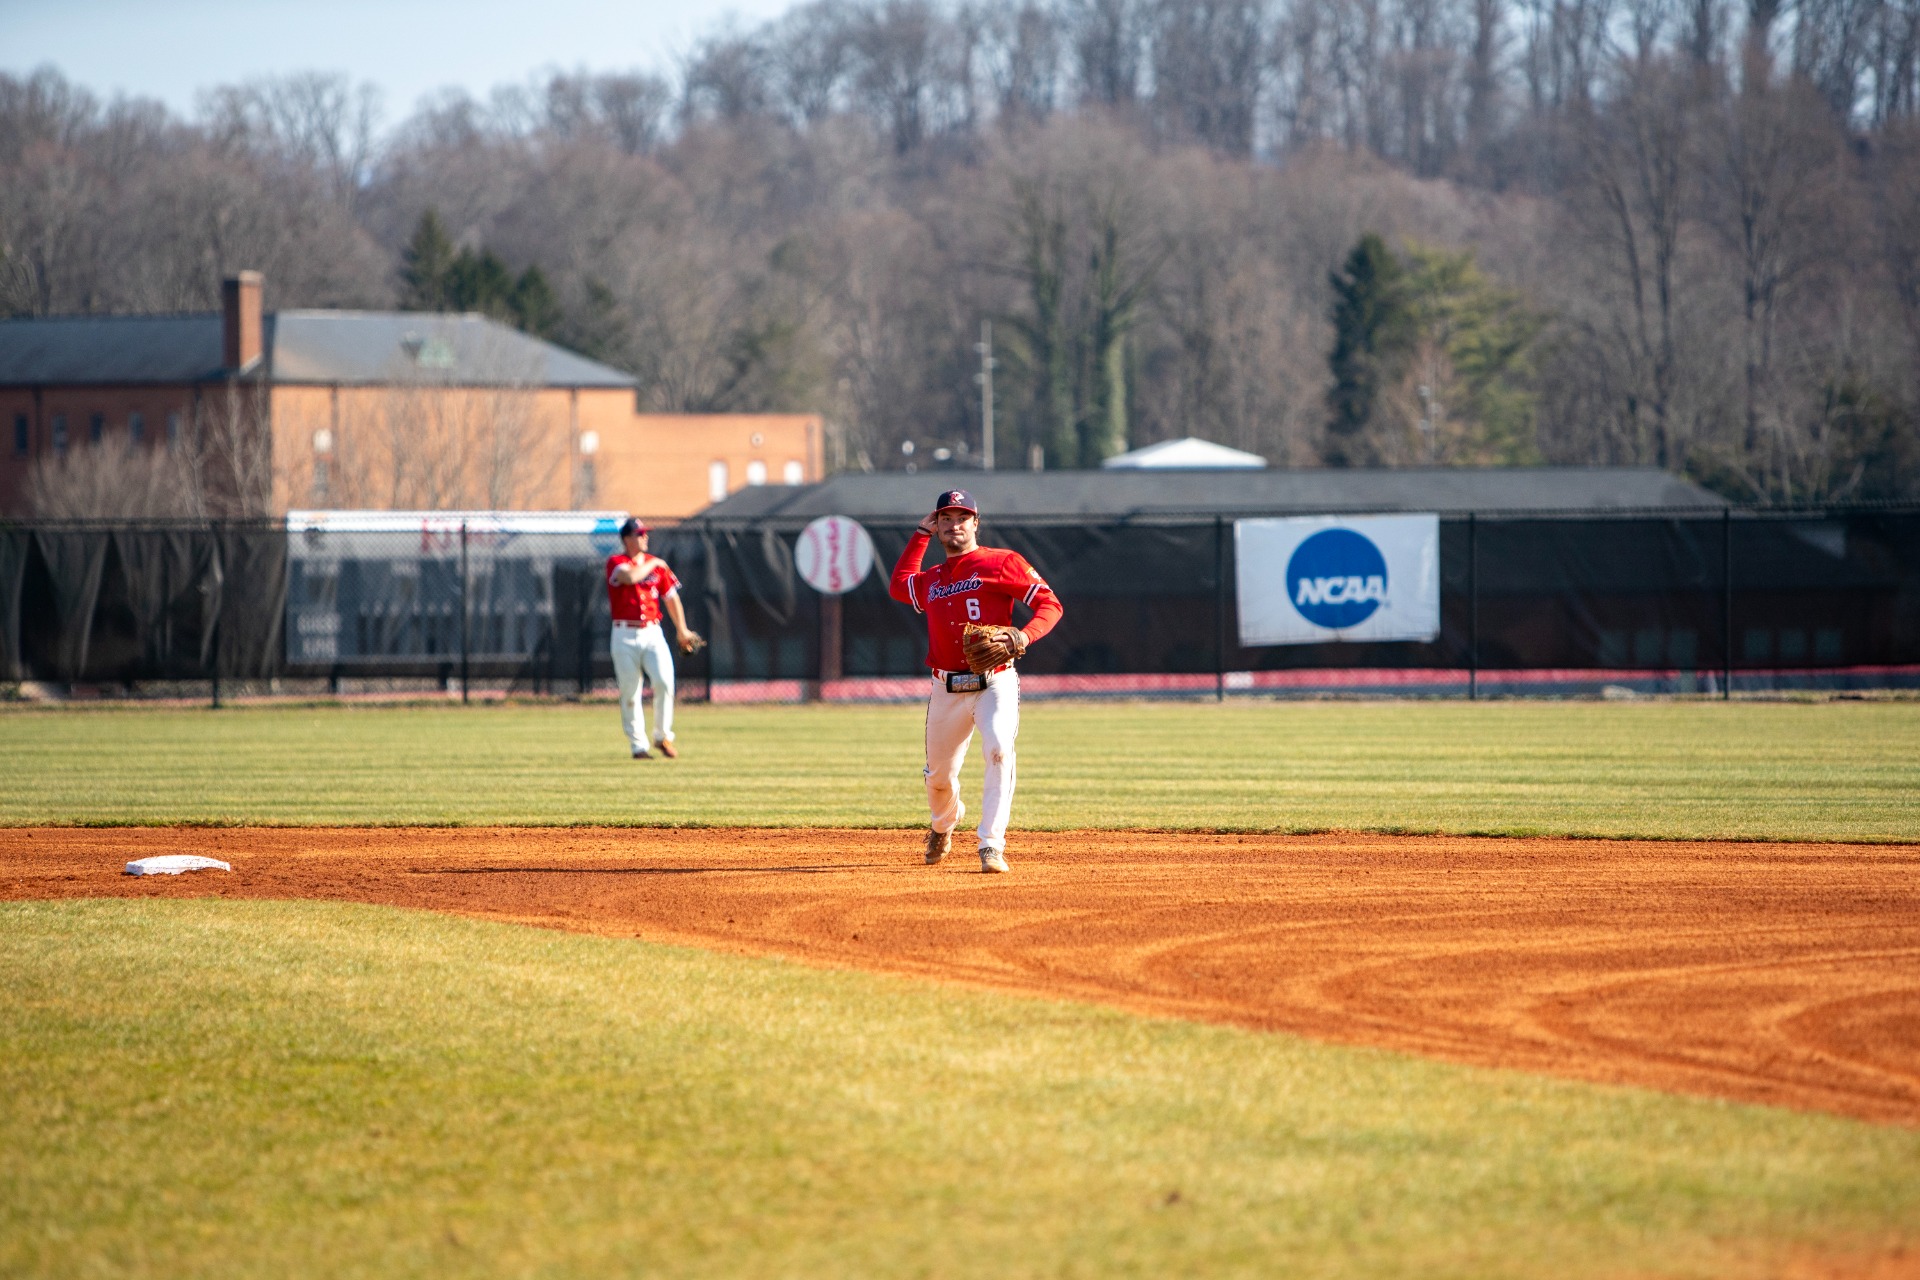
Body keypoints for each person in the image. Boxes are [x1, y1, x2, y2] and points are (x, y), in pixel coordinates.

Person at [889, 488, 1064, 872]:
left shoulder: (1002, 562)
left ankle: (991, 845)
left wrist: (1023, 636)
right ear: (937, 526)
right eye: (946, 519)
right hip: (946, 687)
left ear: (976, 523)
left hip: (995, 681)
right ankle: (943, 824)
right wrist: (919, 534)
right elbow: (899, 585)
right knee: (938, 778)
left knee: (999, 749)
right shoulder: (933, 579)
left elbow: (1050, 605)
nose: (955, 525)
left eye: (962, 518)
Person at [606, 516, 702, 759]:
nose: (645, 537)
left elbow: (671, 598)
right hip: (624, 634)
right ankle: (638, 746)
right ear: (627, 539)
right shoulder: (616, 562)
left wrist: (682, 630)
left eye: (645, 533)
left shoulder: (655, 566)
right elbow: (630, 577)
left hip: (652, 632)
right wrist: (656, 562)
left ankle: (662, 736)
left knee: (665, 682)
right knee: (630, 691)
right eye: (639, 534)